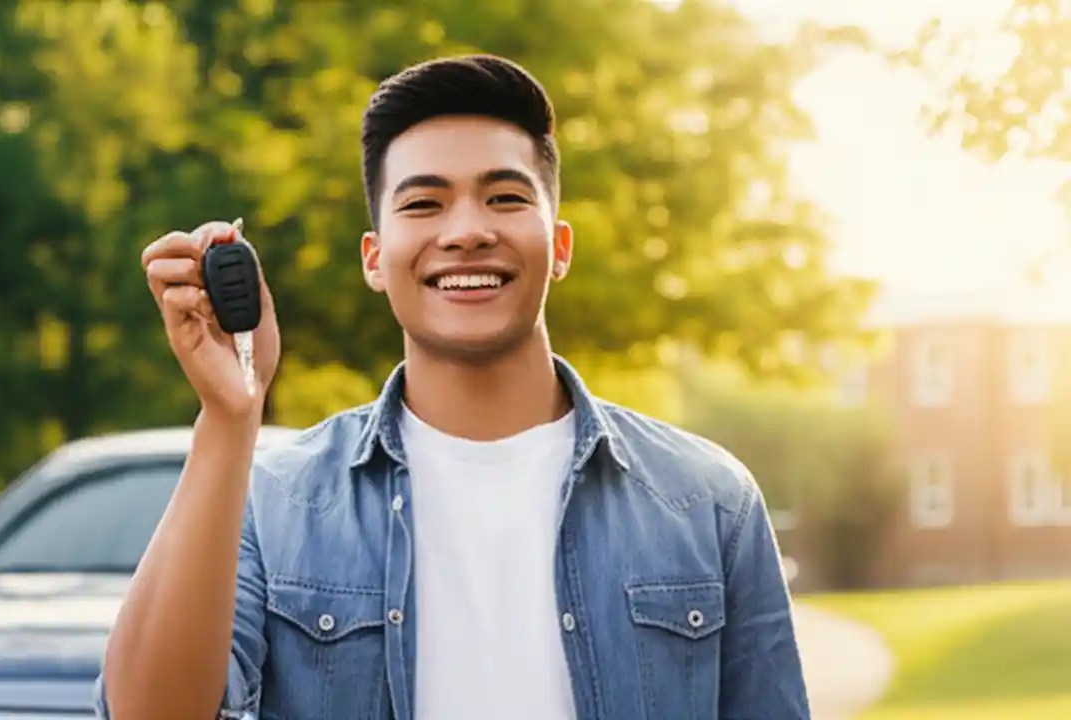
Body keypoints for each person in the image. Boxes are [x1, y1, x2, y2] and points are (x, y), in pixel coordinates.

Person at [95, 54, 810, 720]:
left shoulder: (707, 500)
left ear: (559, 247)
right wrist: (229, 417)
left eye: (504, 197)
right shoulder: (278, 502)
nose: (467, 231)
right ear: (375, 258)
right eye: (423, 205)